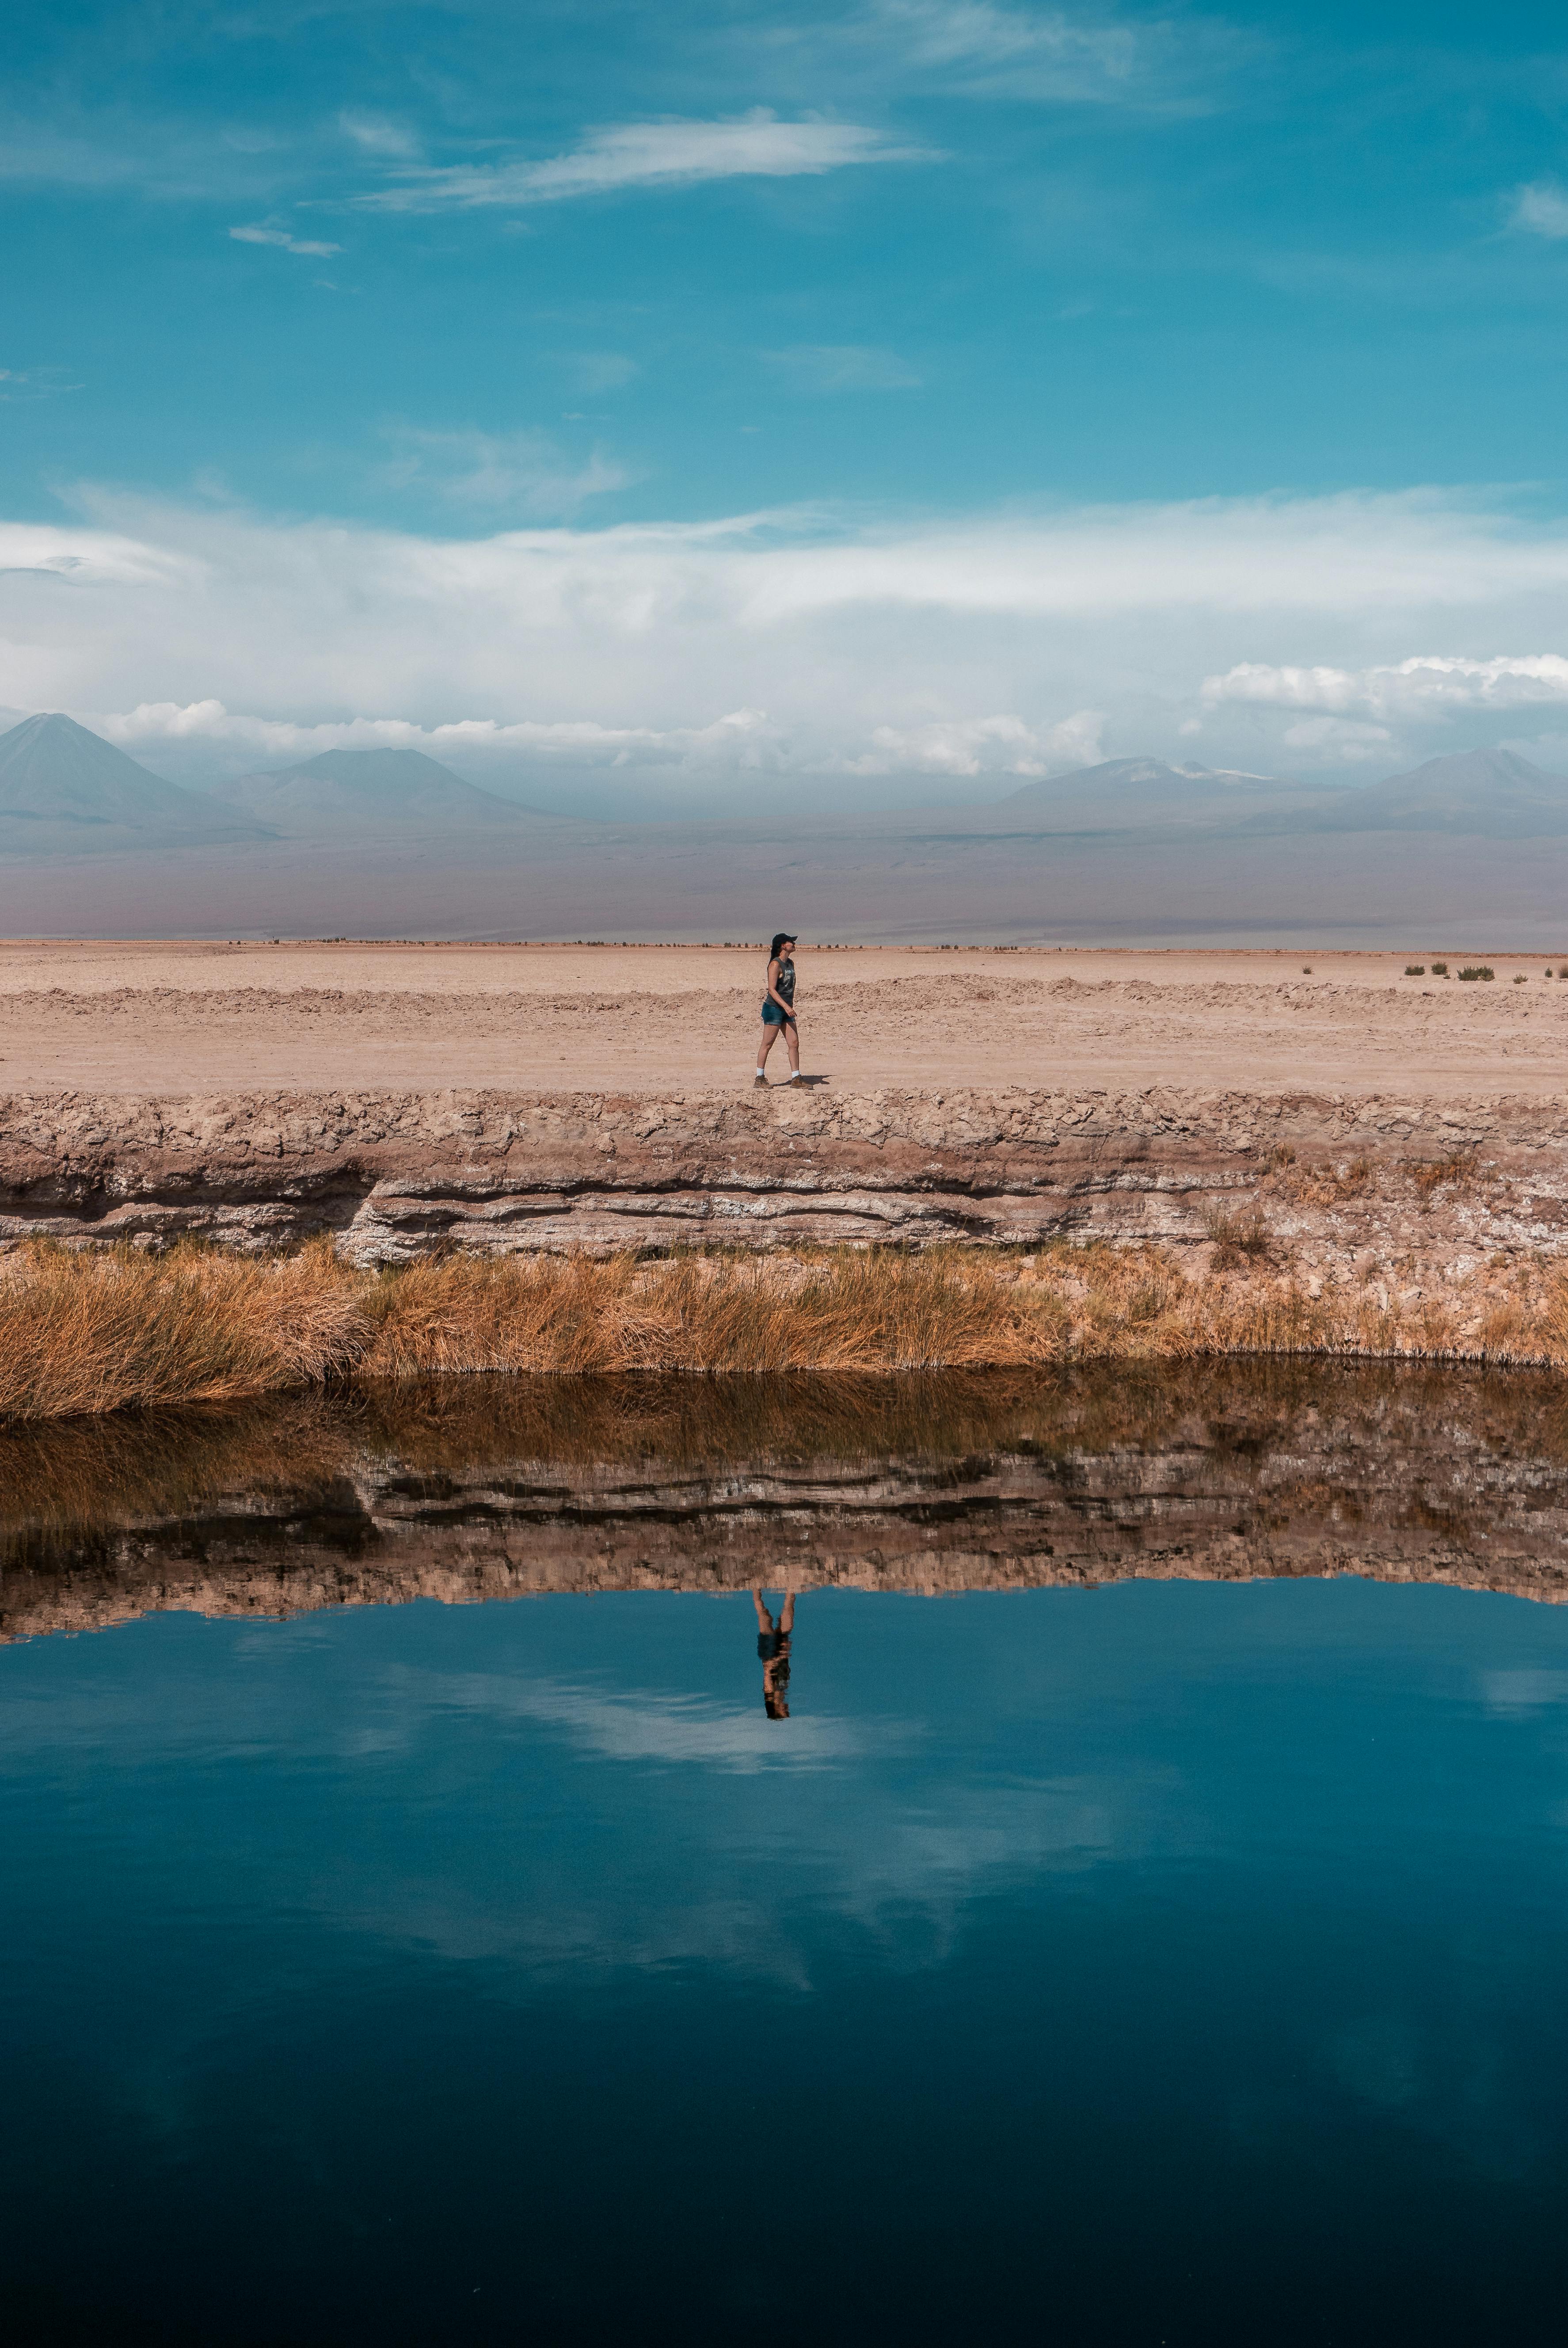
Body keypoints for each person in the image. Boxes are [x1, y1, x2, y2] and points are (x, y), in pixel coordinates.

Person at [754, 931, 801, 1086]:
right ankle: (760, 1078)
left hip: (787, 1010)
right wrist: (786, 1007)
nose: (794, 944)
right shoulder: (775, 964)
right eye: (791, 942)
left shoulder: (791, 963)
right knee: (767, 1043)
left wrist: (788, 1007)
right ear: (783, 945)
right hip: (774, 1009)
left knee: (794, 1043)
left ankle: (796, 1078)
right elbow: (772, 989)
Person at [752, 1589, 795, 1719]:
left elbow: (768, 1669)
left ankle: (755, 1586)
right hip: (780, 1655)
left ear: (776, 1709)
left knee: (764, 1615)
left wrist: (780, 1655)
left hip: (769, 1653)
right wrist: (786, 1653)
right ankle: (791, 1586)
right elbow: (783, 1670)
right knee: (788, 1620)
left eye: (784, 1712)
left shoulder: (769, 1692)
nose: (787, 1709)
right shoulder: (781, 1692)